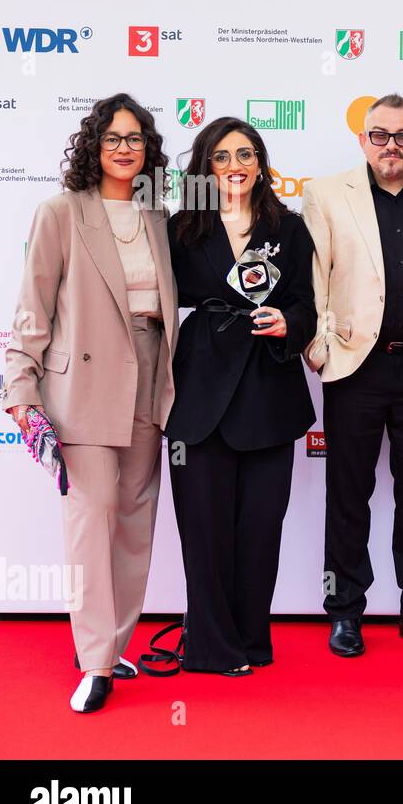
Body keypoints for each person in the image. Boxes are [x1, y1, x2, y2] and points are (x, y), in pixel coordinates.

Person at [4, 93, 177, 712]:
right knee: (90, 522)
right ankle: (95, 660)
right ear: (93, 145)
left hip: (150, 375)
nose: (125, 148)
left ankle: (114, 645)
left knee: (135, 523)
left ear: (148, 150)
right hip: (83, 381)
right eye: (113, 137)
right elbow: (34, 305)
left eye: (135, 139)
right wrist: (20, 385)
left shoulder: (159, 217)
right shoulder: (60, 212)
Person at [301, 94, 403, 657]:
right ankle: (345, 611)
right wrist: (322, 349)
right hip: (354, 370)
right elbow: (313, 279)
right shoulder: (326, 194)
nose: (391, 145)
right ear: (362, 139)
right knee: (348, 496)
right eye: (380, 134)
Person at [165, 117, 316, 675]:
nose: (236, 166)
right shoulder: (179, 229)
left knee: (259, 531)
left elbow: (307, 303)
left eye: (246, 154)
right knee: (203, 533)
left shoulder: (289, 228)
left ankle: (253, 640)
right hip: (197, 398)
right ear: (205, 166)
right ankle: (209, 647)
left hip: (268, 394)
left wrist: (290, 322)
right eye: (223, 156)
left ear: (261, 162)